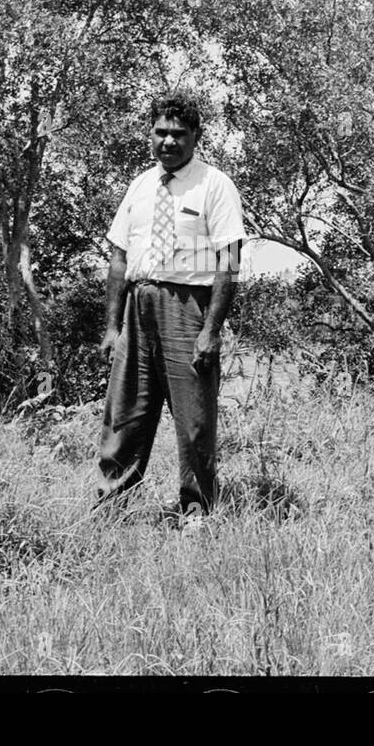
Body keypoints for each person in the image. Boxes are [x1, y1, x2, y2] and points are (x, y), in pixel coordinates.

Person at [94, 91, 247, 525]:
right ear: (151, 134)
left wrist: (211, 329)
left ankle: (196, 511)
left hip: (188, 308)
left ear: (196, 136)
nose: (168, 142)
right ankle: (112, 509)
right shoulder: (141, 185)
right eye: (160, 132)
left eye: (178, 134)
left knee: (194, 420)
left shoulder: (214, 184)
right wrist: (112, 325)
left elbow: (230, 259)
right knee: (124, 414)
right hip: (137, 309)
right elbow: (119, 258)